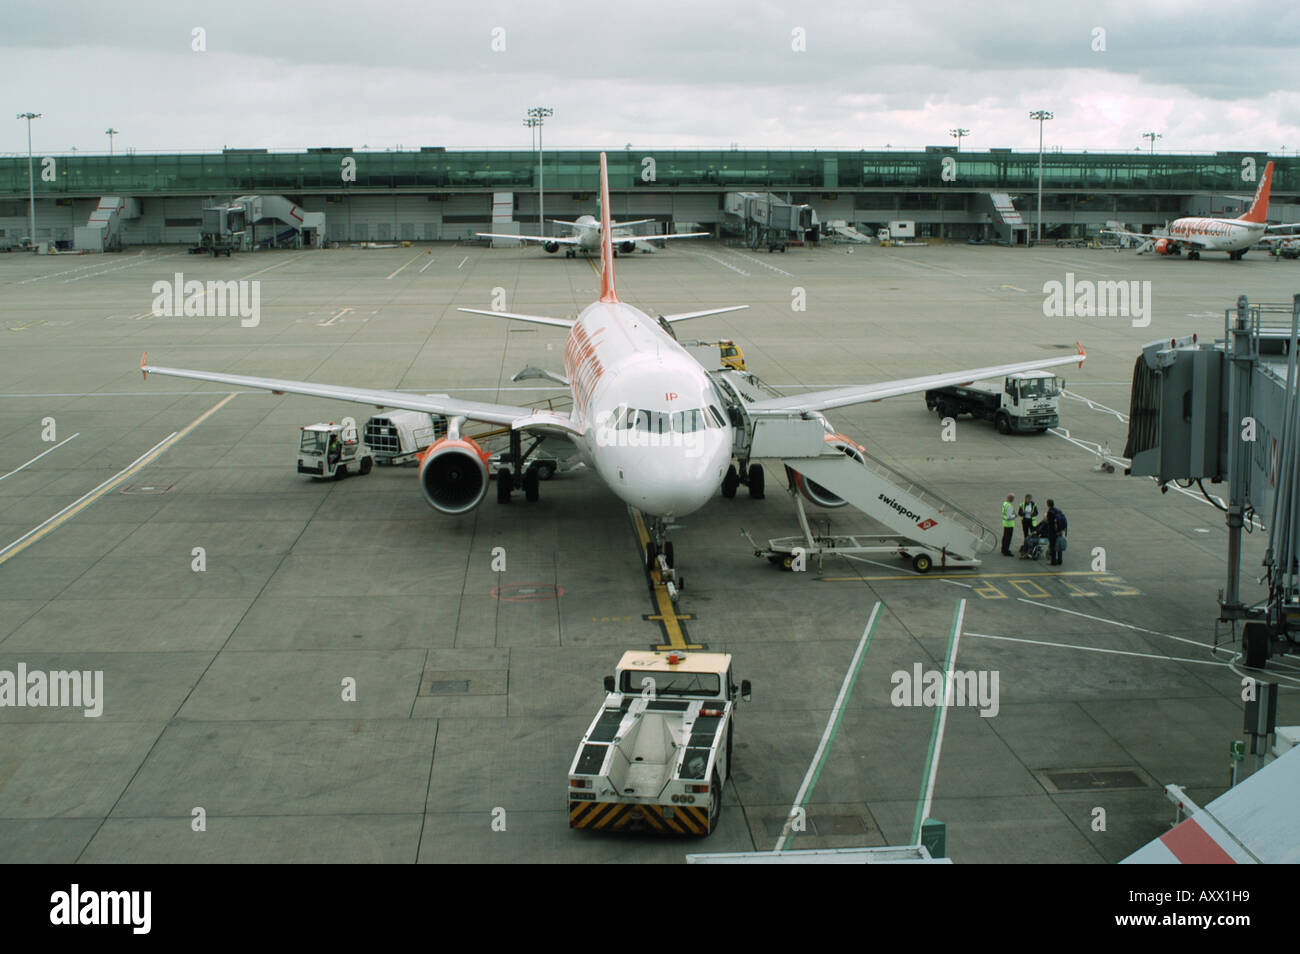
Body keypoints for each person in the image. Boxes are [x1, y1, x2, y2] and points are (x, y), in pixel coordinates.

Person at [1043, 499, 1068, 565]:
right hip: (1059, 531)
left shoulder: (1050, 512)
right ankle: (1060, 560)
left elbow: (1048, 522)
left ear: (1048, 504)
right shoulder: (1058, 510)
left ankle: (1053, 561)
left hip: (1053, 532)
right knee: (1059, 545)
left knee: (1053, 546)